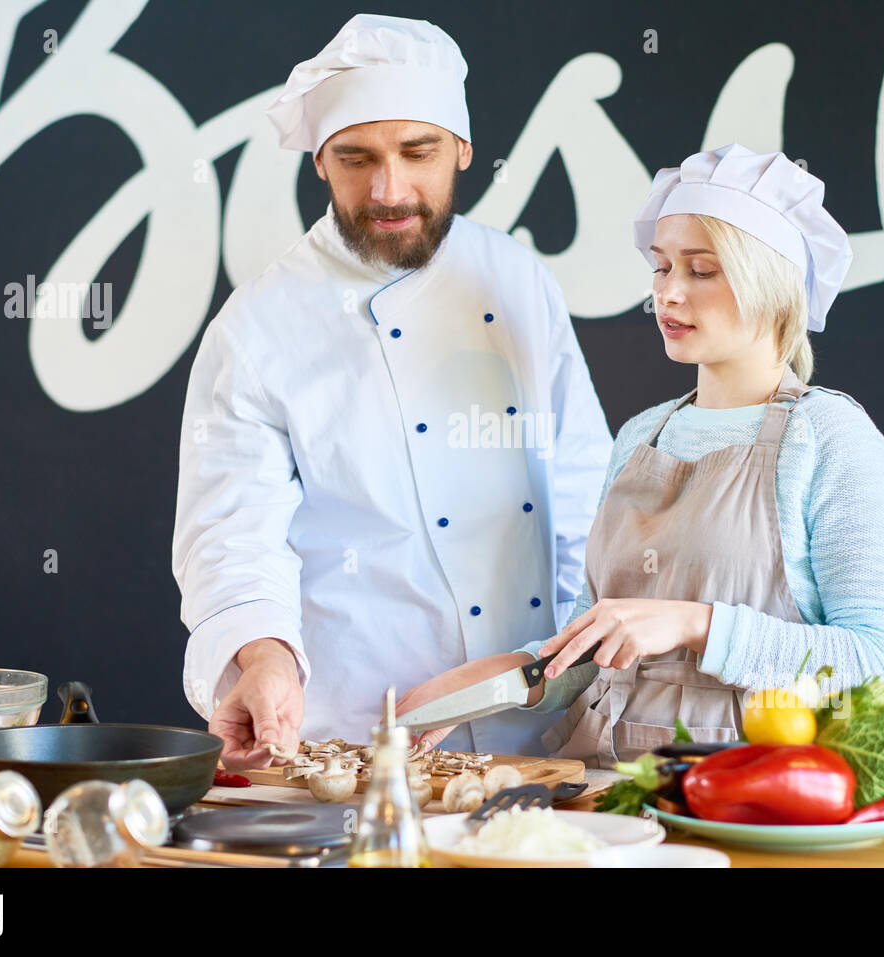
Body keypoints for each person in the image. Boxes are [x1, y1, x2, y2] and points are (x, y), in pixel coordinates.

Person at [172, 14, 612, 768]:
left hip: (543, 732)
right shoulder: (258, 327)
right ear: (319, 160)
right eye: (356, 157)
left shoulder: (518, 283)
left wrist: (561, 667)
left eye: (419, 152)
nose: (389, 188)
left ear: (464, 149)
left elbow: (587, 498)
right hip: (355, 744)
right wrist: (261, 655)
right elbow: (232, 534)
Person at [397, 144, 884, 767]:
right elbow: (602, 648)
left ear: (774, 286)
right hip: (607, 793)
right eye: (661, 266)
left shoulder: (832, 439)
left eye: (701, 271)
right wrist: (503, 678)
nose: (667, 294)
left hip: (757, 797)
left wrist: (696, 625)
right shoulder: (641, 435)